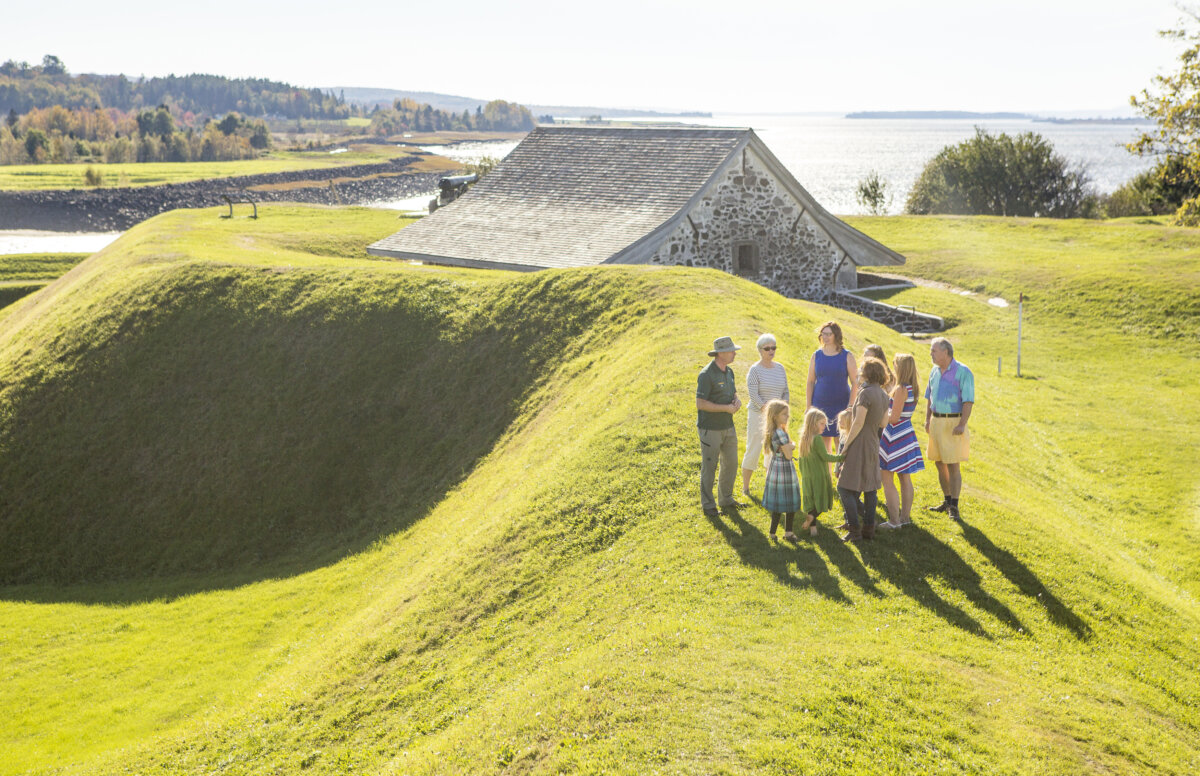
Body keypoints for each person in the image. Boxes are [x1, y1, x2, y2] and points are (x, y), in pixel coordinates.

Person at [836, 357, 890, 542]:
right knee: (870, 488)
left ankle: (855, 530)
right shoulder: (884, 395)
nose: (859, 372)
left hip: (859, 441)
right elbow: (884, 422)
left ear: (868, 373)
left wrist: (846, 446)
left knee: (843, 487)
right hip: (874, 441)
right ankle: (869, 529)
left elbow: (858, 422)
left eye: (861, 369)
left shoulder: (864, 393)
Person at [924, 337, 974, 522]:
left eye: (934, 350)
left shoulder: (963, 372)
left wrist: (962, 424)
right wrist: (927, 419)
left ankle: (954, 504)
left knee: (953, 464)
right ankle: (946, 500)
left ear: (946, 352)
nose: (931, 353)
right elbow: (929, 397)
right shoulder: (934, 371)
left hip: (953, 424)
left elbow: (968, 400)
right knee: (938, 462)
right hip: (936, 422)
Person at [696, 336, 743, 517]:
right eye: (732, 351)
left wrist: (736, 401)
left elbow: (734, 392)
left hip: (728, 426)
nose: (734, 354)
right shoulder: (706, 375)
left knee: (731, 463)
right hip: (710, 429)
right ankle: (708, 505)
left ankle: (726, 499)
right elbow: (700, 403)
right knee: (710, 466)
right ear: (721, 353)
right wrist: (726, 408)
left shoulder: (729, 371)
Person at [878, 353, 926, 529]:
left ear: (901, 368)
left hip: (895, 434)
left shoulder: (901, 389)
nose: (893, 368)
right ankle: (905, 518)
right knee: (905, 478)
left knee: (887, 477)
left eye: (895, 364)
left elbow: (894, 417)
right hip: (906, 433)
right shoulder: (913, 388)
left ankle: (894, 521)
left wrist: (879, 413)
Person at [742, 333, 790, 496]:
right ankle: (746, 488)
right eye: (767, 348)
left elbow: (786, 392)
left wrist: (782, 411)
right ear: (760, 350)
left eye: (773, 348)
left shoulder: (780, 368)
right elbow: (754, 395)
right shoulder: (755, 370)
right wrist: (768, 410)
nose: (771, 351)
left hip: (778, 417)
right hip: (758, 415)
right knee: (754, 447)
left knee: (774, 449)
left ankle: (771, 485)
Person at [807, 322, 857, 454]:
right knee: (823, 443)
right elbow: (810, 381)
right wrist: (808, 406)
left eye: (829, 334)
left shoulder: (847, 355)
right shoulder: (816, 355)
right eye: (823, 334)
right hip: (820, 404)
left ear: (836, 335)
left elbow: (855, 382)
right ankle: (826, 474)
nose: (826, 337)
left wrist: (851, 405)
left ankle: (840, 472)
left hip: (841, 405)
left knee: (840, 440)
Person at [796, 408, 845, 537]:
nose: (825, 426)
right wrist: (842, 457)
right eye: (822, 423)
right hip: (819, 476)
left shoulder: (804, 438)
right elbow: (825, 457)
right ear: (813, 423)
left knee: (812, 501)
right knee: (820, 499)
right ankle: (811, 517)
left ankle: (813, 530)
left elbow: (801, 461)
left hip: (807, 476)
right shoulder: (817, 439)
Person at [760, 400, 801, 541]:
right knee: (789, 501)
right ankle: (788, 532)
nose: (787, 417)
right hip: (785, 470)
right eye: (784, 414)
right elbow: (789, 455)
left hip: (775, 468)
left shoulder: (771, 432)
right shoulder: (780, 433)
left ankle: (772, 533)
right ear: (775, 416)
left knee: (777, 503)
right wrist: (793, 445)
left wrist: (789, 445)